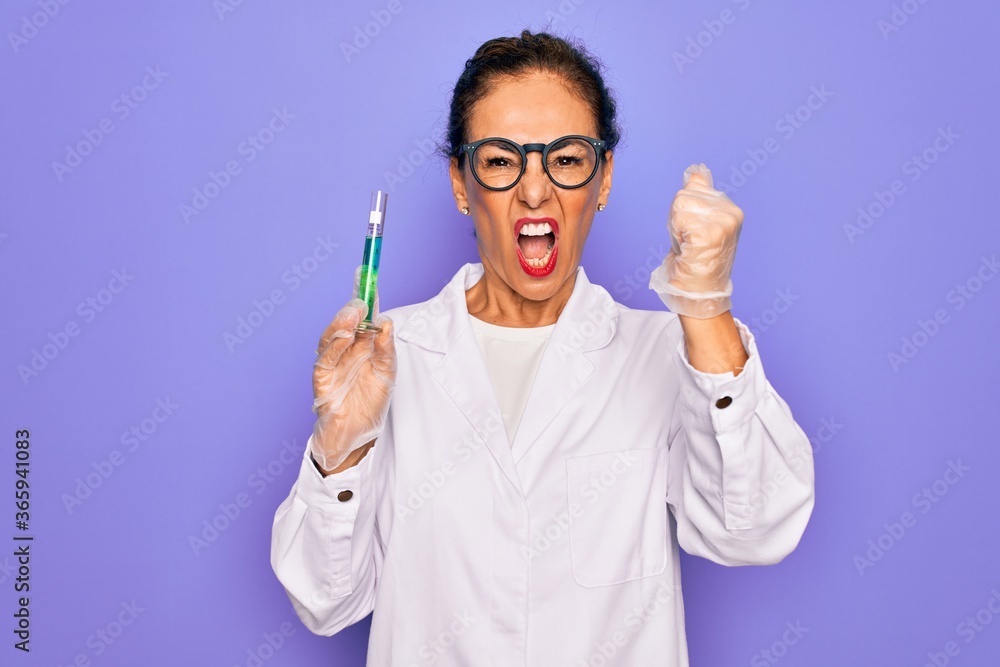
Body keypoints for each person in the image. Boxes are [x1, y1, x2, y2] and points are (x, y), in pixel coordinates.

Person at [271, 29, 815, 666]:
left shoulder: (669, 355)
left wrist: (707, 309)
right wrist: (341, 448)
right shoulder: (387, 359)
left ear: (604, 177)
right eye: (501, 160)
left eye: (566, 158)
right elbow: (325, 602)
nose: (534, 190)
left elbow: (754, 530)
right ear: (459, 182)